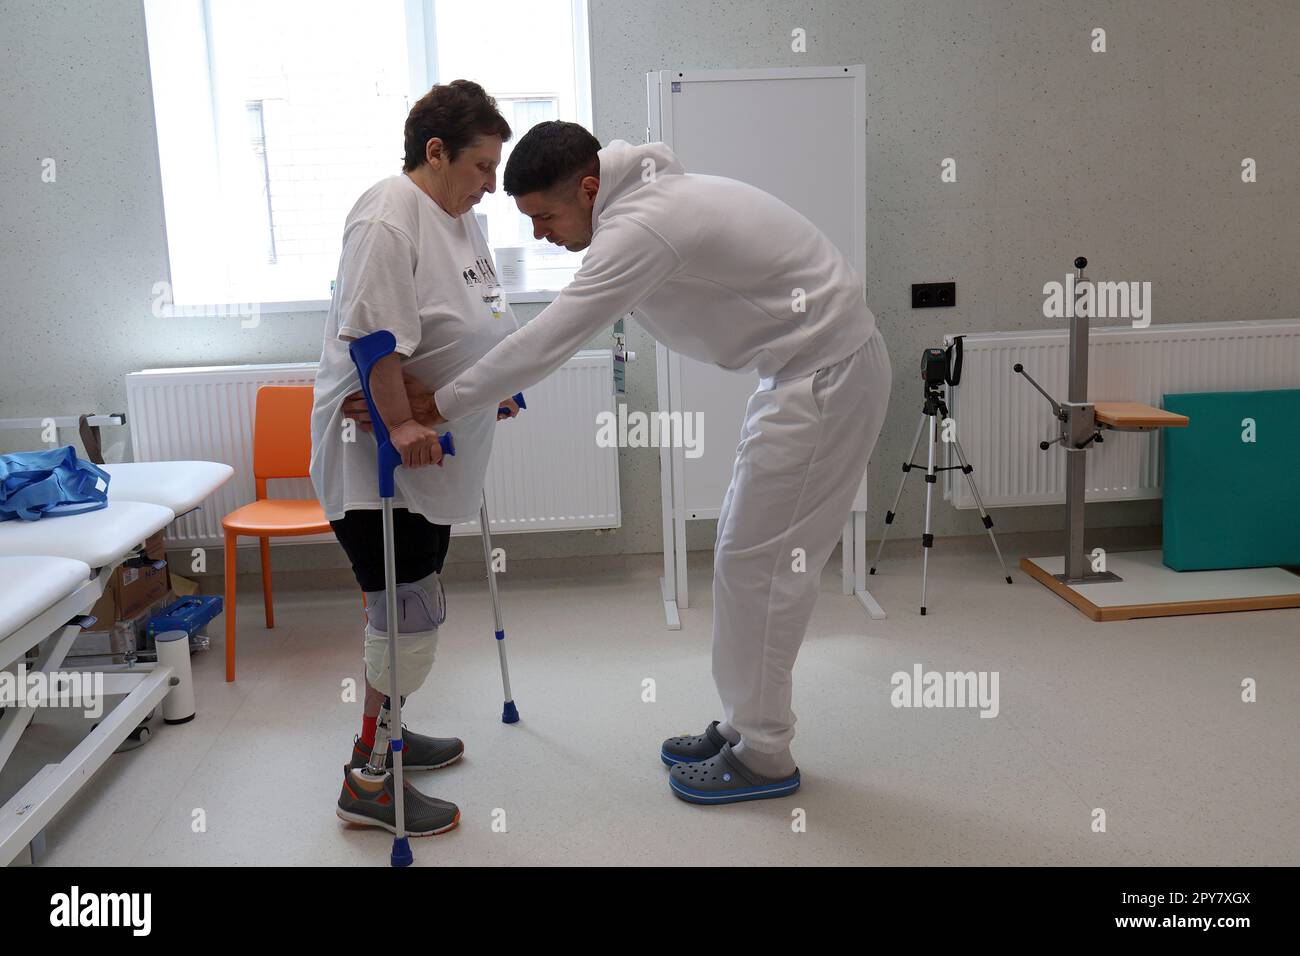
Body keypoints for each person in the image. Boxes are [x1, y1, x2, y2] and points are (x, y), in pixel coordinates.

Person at [363, 120, 893, 805]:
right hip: (801, 373)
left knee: (762, 567)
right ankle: (743, 728)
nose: (540, 234)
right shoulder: (642, 205)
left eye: (546, 216)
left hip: (827, 375)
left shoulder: (643, 227)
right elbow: (539, 336)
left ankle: (764, 753)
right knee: (743, 555)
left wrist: (436, 403)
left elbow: (553, 337)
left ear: (590, 189)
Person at [309, 80, 522, 836]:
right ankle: (369, 779)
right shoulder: (387, 214)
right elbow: (373, 338)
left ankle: (394, 730)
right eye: (482, 165)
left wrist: (494, 387)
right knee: (404, 616)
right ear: (436, 153)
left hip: (442, 446)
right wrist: (401, 424)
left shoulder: (464, 220)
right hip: (378, 462)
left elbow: (479, 318)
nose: (492, 182)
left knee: (415, 605)